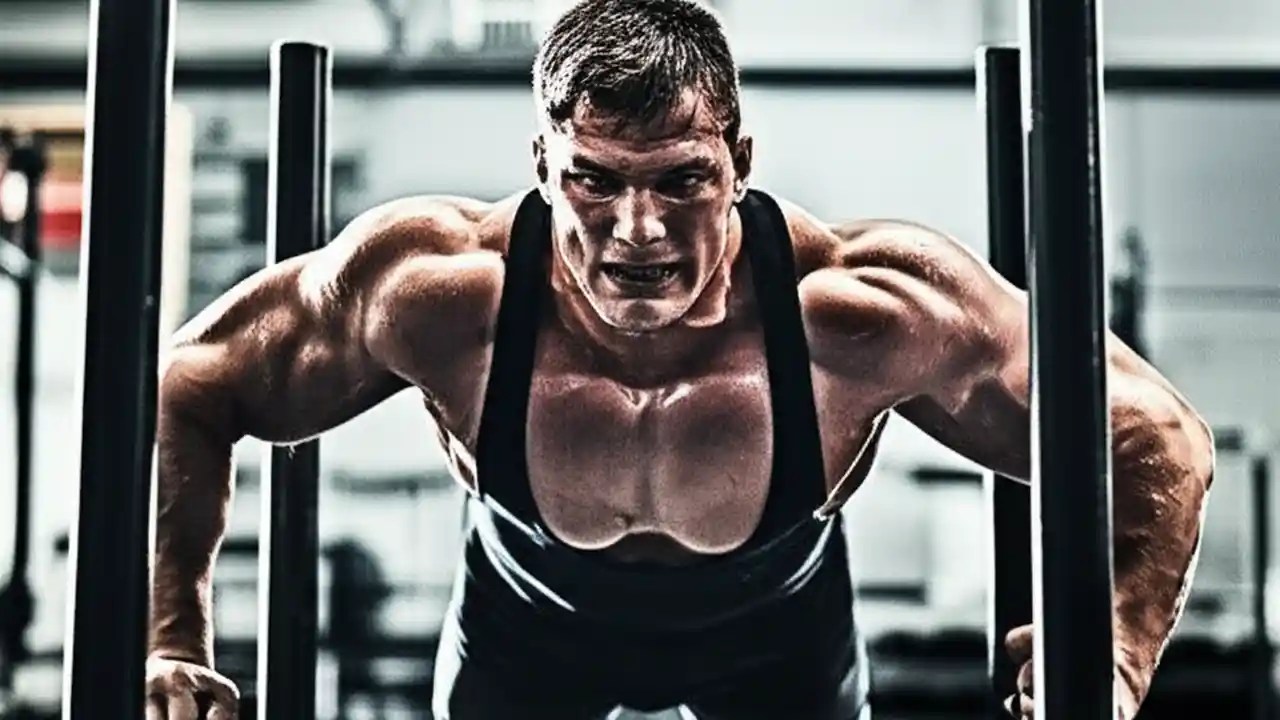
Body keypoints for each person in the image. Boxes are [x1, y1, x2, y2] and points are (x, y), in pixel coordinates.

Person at [143, 1, 1216, 718]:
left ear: (739, 163)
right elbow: (185, 386)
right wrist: (170, 638)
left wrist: (1117, 645)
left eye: (681, 180)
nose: (638, 230)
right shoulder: (438, 293)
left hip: (779, 635)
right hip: (524, 627)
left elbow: (1156, 436)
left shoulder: (858, 313)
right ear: (541, 164)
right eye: (595, 180)